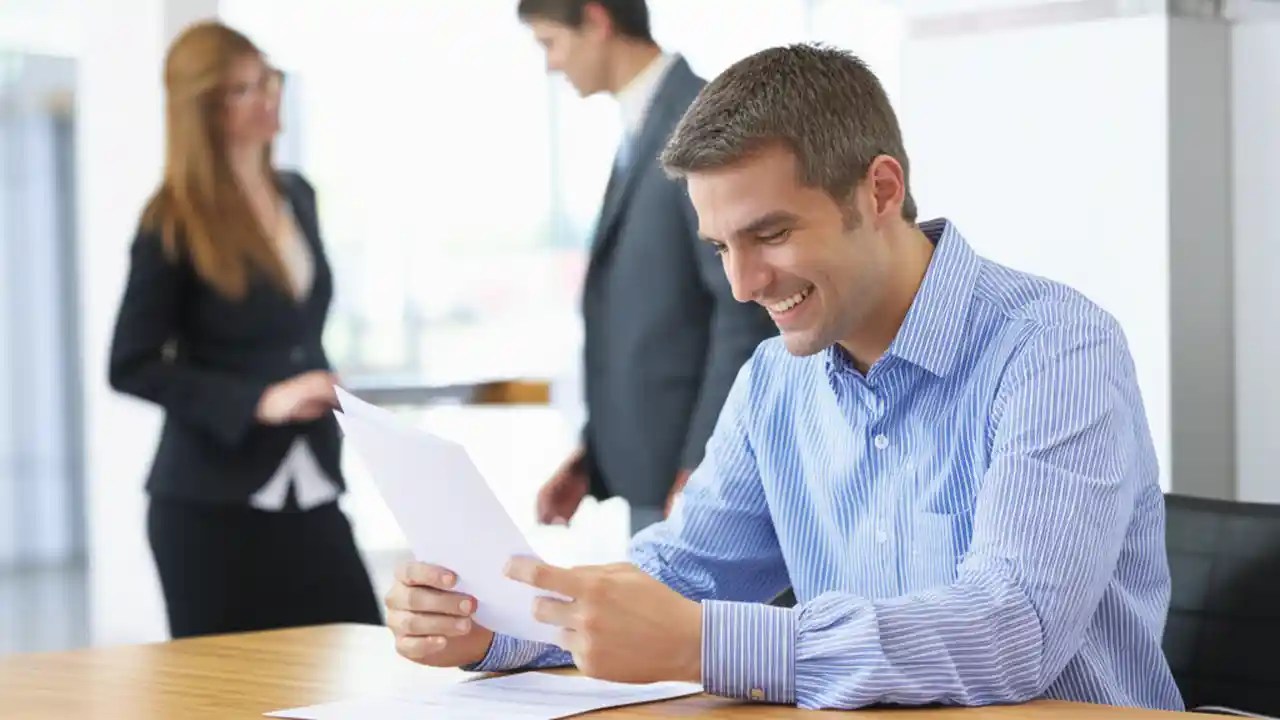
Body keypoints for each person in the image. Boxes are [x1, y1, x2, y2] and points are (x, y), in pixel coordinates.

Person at [382, 44, 1184, 711]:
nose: (741, 284)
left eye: (769, 234)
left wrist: (706, 643)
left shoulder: (1055, 350)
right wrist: (499, 624)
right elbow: (683, 570)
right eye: (720, 247)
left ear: (878, 191)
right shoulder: (774, 380)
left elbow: (1012, 632)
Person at [108, 21, 381, 639]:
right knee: (224, 696)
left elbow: (290, 331)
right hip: (210, 504)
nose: (266, 99)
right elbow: (131, 363)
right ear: (202, 109)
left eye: (267, 79)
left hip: (311, 485)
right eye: (241, 89)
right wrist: (259, 401)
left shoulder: (298, 196)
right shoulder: (173, 219)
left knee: (369, 663)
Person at [519, 0, 777, 532]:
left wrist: (705, 462)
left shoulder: (698, 118)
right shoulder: (642, 124)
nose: (550, 64)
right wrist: (594, 458)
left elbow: (741, 309)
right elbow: (651, 313)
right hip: (653, 474)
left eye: (550, 42)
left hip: (691, 479)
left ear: (596, 21)